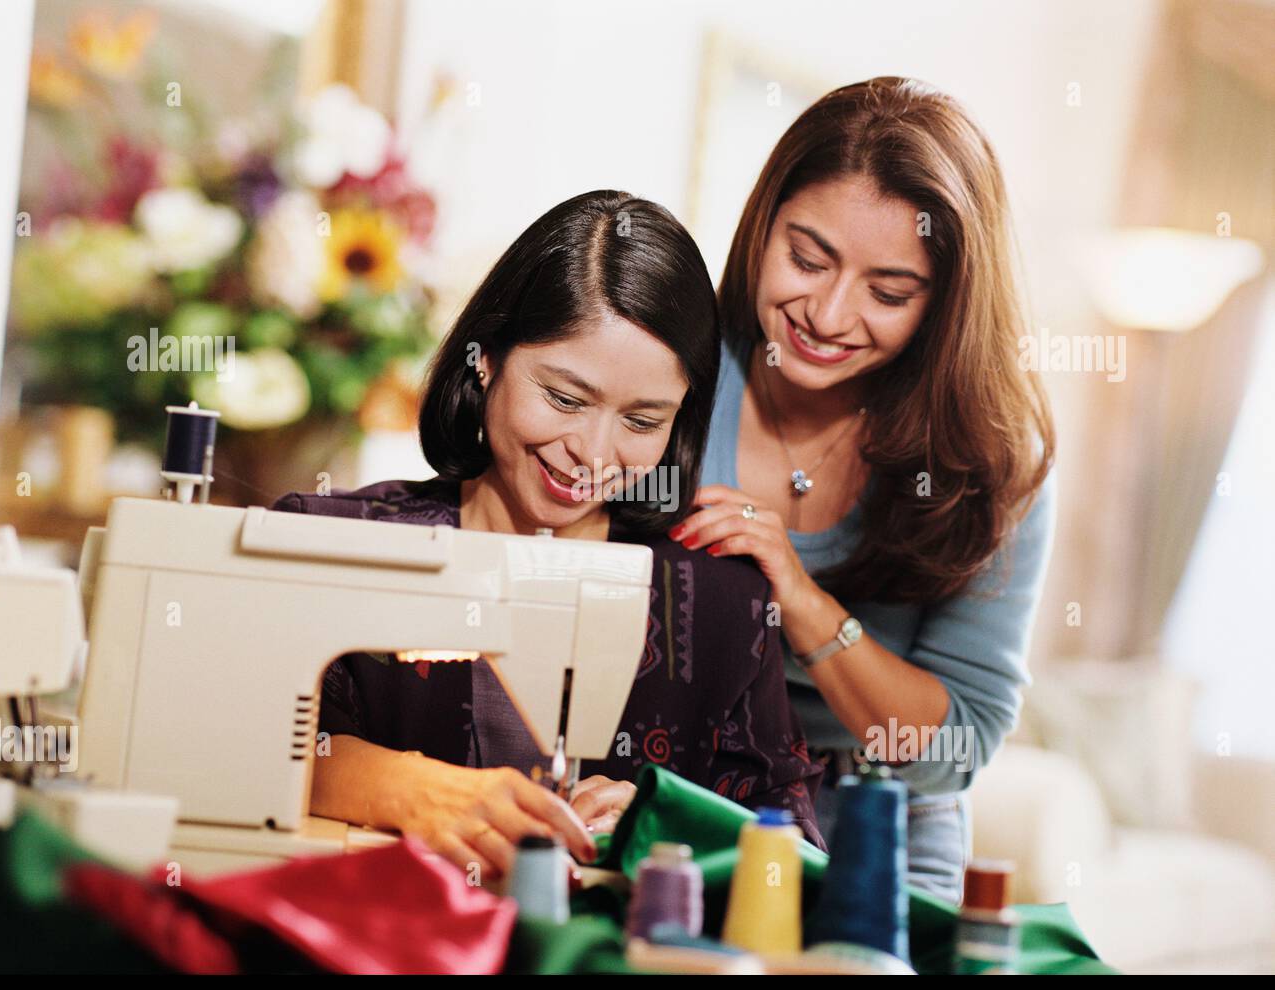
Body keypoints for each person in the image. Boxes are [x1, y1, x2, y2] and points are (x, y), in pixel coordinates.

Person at [273, 190, 822, 880]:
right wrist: (410, 789)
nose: (594, 453)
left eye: (643, 421)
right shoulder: (327, 541)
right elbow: (247, 736)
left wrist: (671, 821)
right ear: (487, 357)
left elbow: (798, 847)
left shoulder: (720, 600)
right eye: (565, 398)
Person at [673, 78, 1058, 905]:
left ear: (946, 303)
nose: (828, 312)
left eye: (888, 293)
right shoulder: (676, 370)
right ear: (762, 222)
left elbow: (954, 749)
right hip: (677, 800)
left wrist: (803, 601)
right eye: (806, 258)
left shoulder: (987, 458)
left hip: (880, 835)